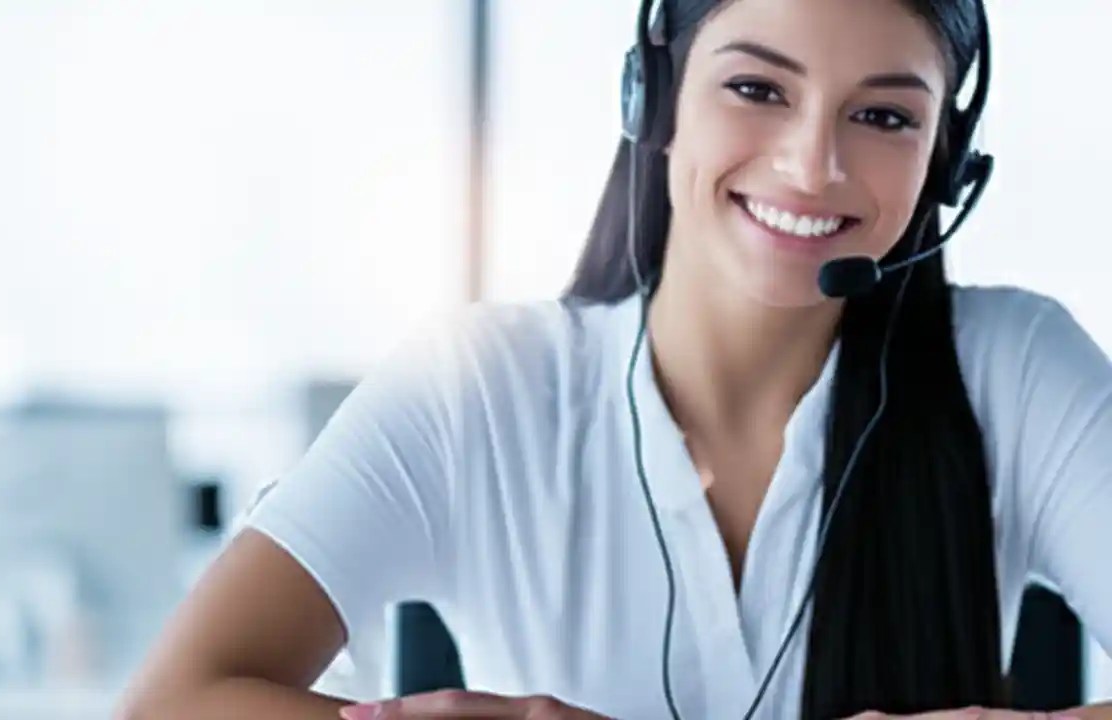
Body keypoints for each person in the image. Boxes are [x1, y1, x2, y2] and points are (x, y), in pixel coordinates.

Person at [116, 0, 1112, 717]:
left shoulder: (1012, 371)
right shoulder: (479, 386)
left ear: (945, 159)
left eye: (884, 116)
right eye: (756, 87)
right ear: (656, 98)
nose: (814, 166)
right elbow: (169, 701)